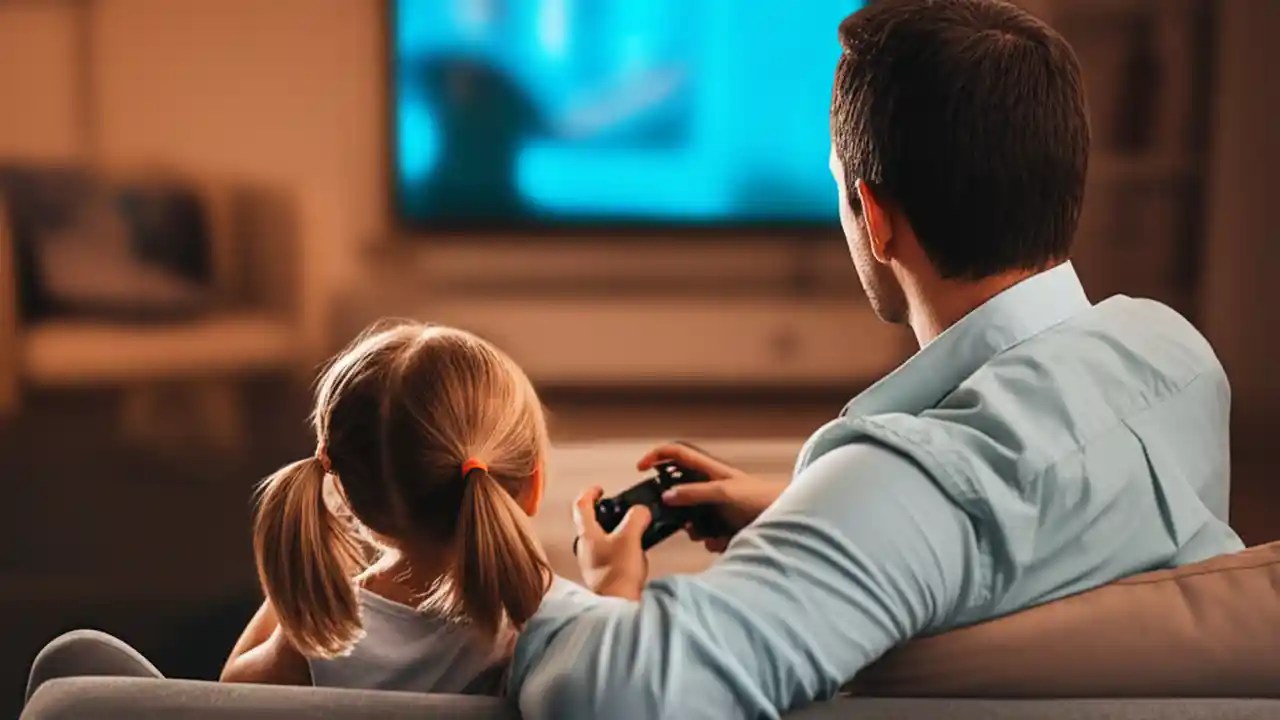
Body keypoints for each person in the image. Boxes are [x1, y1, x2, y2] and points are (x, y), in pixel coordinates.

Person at [509, 2, 1244, 718]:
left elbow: (615, 695)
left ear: (876, 217)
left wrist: (610, 589)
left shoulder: (907, 487)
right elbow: (1041, 511)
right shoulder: (1176, 358)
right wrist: (809, 511)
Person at [26, 321, 627, 701]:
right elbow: (621, 680)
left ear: (345, 491)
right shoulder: (548, 629)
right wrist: (615, 584)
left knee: (74, 660)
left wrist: (302, 595)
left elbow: (230, 698)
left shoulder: (320, 638)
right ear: (531, 488)